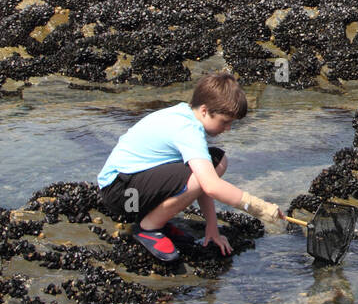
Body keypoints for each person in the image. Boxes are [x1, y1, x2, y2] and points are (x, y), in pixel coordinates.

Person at [97, 72, 284, 263]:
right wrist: (259, 207)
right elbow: (210, 186)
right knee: (201, 176)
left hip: (132, 189)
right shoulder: (187, 130)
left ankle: (155, 218)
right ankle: (149, 227)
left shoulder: (185, 114)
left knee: (217, 161)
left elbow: (205, 181)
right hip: (122, 194)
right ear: (204, 110)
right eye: (225, 122)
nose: (228, 129)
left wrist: (212, 228)